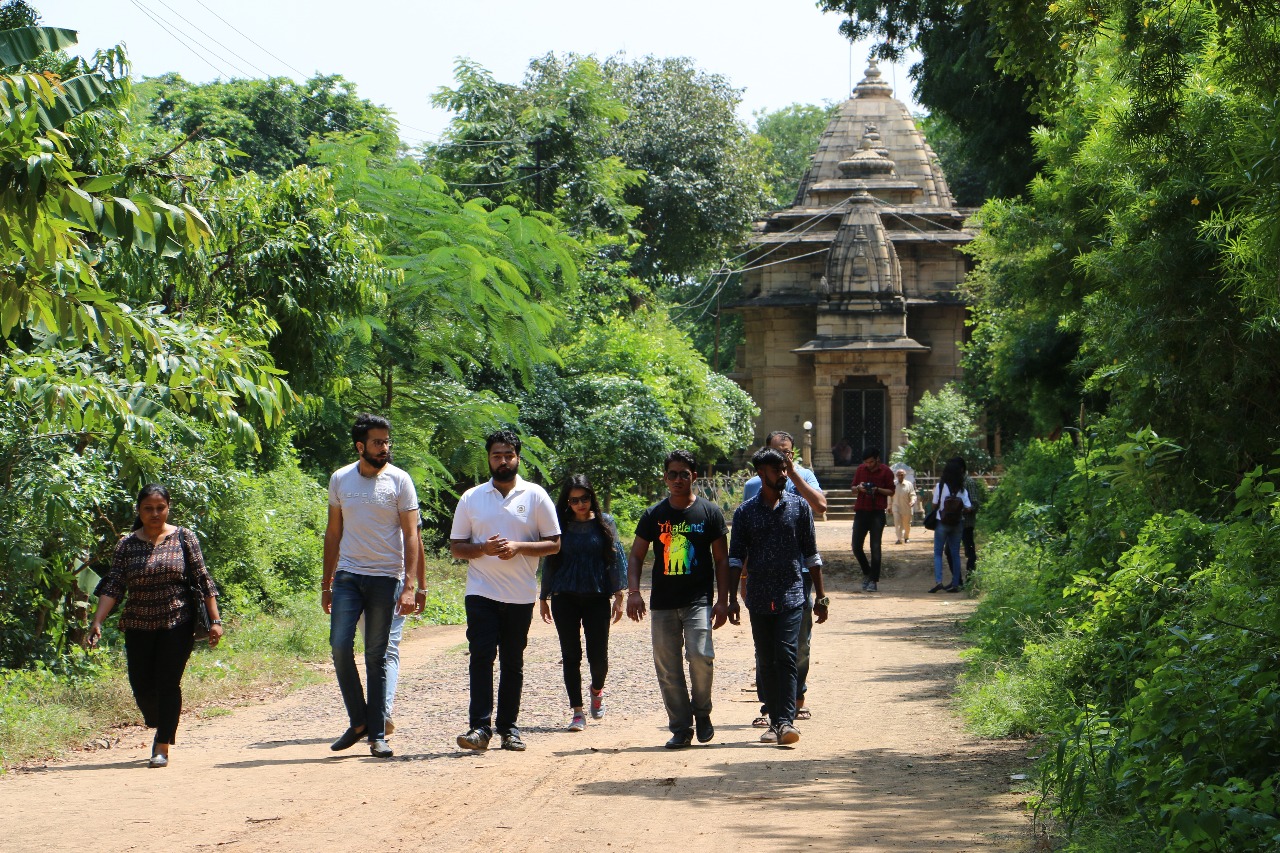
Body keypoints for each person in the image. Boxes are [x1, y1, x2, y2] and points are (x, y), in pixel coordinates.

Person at [87, 484, 223, 768]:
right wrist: (97, 621)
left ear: (168, 507)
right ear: (138, 510)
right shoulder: (126, 544)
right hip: (138, 623)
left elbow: (203, 579)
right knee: (141, 684)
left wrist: (215, 621)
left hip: (177, 621)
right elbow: (113, 585)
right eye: (148, 508)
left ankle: (162, 744)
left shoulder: (184, 538)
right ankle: (159, 719)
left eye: (160, 508)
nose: (154, 513)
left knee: (167, 681)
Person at [451, 430, 561, 752]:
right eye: (497, 455)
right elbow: (457, 547)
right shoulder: (471, 498)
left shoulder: (536, 496)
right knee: (481, 656)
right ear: (488, 458)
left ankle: (509, 729)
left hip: (520, 594)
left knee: (513, 661)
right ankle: (479, 728)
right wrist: (483, 548)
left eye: (508, 455)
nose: (503, 461)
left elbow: (554, 543)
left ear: (518, 457)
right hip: (481, 591)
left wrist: (518, 547)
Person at [322, 413, 420, 759]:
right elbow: (333, 532)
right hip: (348, 576)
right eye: (378, 442)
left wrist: (410, 584)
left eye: (387, 442)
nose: (385, 448)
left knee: (377, 657)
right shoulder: (340, 479)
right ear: (360, 446)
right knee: (338, 647)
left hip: (385, 578)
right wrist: (326, 583)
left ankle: (377, 734)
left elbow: (411, 534)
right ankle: (359, 720)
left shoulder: (400, 480)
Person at [627, 449, 732, 749]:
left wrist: (722, 600)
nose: (677, 479)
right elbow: (635, 556)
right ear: (665, 477)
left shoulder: (709, 513)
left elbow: (721, 561)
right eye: (672, 474)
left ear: (693, 477)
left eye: (683, 474)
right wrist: (633, 592)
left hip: (698, 600)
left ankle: (702, 713)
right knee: (668, 667)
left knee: (701, 657)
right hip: (663, 603)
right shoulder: (654, 515)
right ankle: (680, 727)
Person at [729, 447, 829, 746]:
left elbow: (812, 556)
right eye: (777, 470)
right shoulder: (745, 513)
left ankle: (785, 722)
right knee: (765, 657)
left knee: (786, 654)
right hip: (758, 596)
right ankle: (774, 719)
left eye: (785, 469)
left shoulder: (799, 508)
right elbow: (735, 558)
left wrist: (821, 597)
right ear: (761, 473)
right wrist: (731, 598)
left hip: (792, 594)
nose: (783, 475)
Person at [539, 475, 627, 732]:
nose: (580, 504)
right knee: (570, 656)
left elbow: (615, 559)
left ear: (592, 497)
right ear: (567, 502)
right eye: (574, 500)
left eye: (584, 498)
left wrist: (619, 595)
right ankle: (577, 711)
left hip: (597, 596)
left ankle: (596, 689)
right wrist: (544, 597)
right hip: (564, 596)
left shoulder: (605, 523)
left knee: (598, 657)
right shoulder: (561, 525)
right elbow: (550, 562)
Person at [851, 447, 896, 591]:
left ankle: (873, 580)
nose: (868, 465)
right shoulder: (860, 469)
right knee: (856, 546)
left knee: (875, 547)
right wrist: (859, 488)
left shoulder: (886, 471)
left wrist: (877, 490)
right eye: (866, 462)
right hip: (861, 511)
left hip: (877, 512)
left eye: (871, 462)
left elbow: (891, 491)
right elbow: (852, 488)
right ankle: (867, 572)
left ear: (877, 459)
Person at [929, 457, 972, 593]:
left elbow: (934, 504)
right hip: (957, 523)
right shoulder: (962, 489)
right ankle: (955, 583)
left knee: (938, 552)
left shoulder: (941, 486)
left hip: (942, 522)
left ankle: (939, 581)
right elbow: (969, 507)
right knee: (955, 553)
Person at [943, 458, 980, 585]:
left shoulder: (968, 483)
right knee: (949, 551)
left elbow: (975, 503)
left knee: (969, 552)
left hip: (966, 524)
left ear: (961, 469)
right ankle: (957, 580)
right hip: (953, 523)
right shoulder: (952, 483)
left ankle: (970, 580)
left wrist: (963, 510)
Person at [891, 468, 917, 544]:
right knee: (897, 522)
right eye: (898, 475)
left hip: (906, 507)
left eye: (901, 475)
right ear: (896, 476)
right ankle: (899, 539)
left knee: (906, 525)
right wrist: (889, 506)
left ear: (904, 475)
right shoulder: (893, 484)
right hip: (896, 506)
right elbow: (889, 496)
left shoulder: (909, 484)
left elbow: (913, 494)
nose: (900, 476)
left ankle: (906, 537)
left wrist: (912, 501)